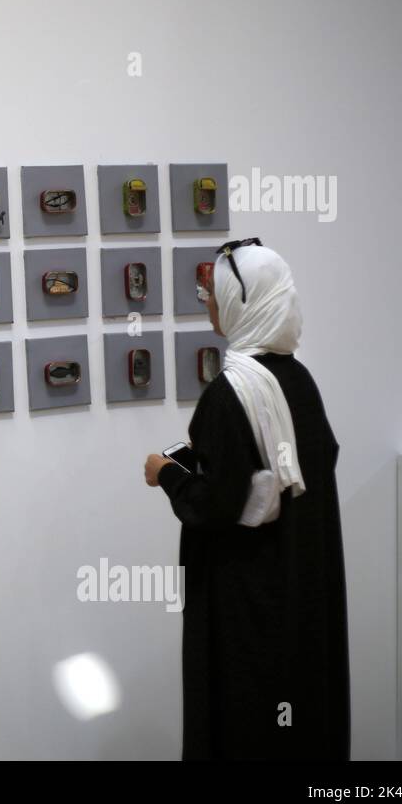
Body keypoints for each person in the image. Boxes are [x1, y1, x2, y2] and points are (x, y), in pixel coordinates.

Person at [143, 239, 350, 759]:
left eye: (211, 291)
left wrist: (167, 473)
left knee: (243, 719)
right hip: (300, 587)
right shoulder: (298, 381)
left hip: (245, 601)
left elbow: (217, 505)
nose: (206, 302)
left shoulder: (232, 392)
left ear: (244, 301)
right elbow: (279, 472)